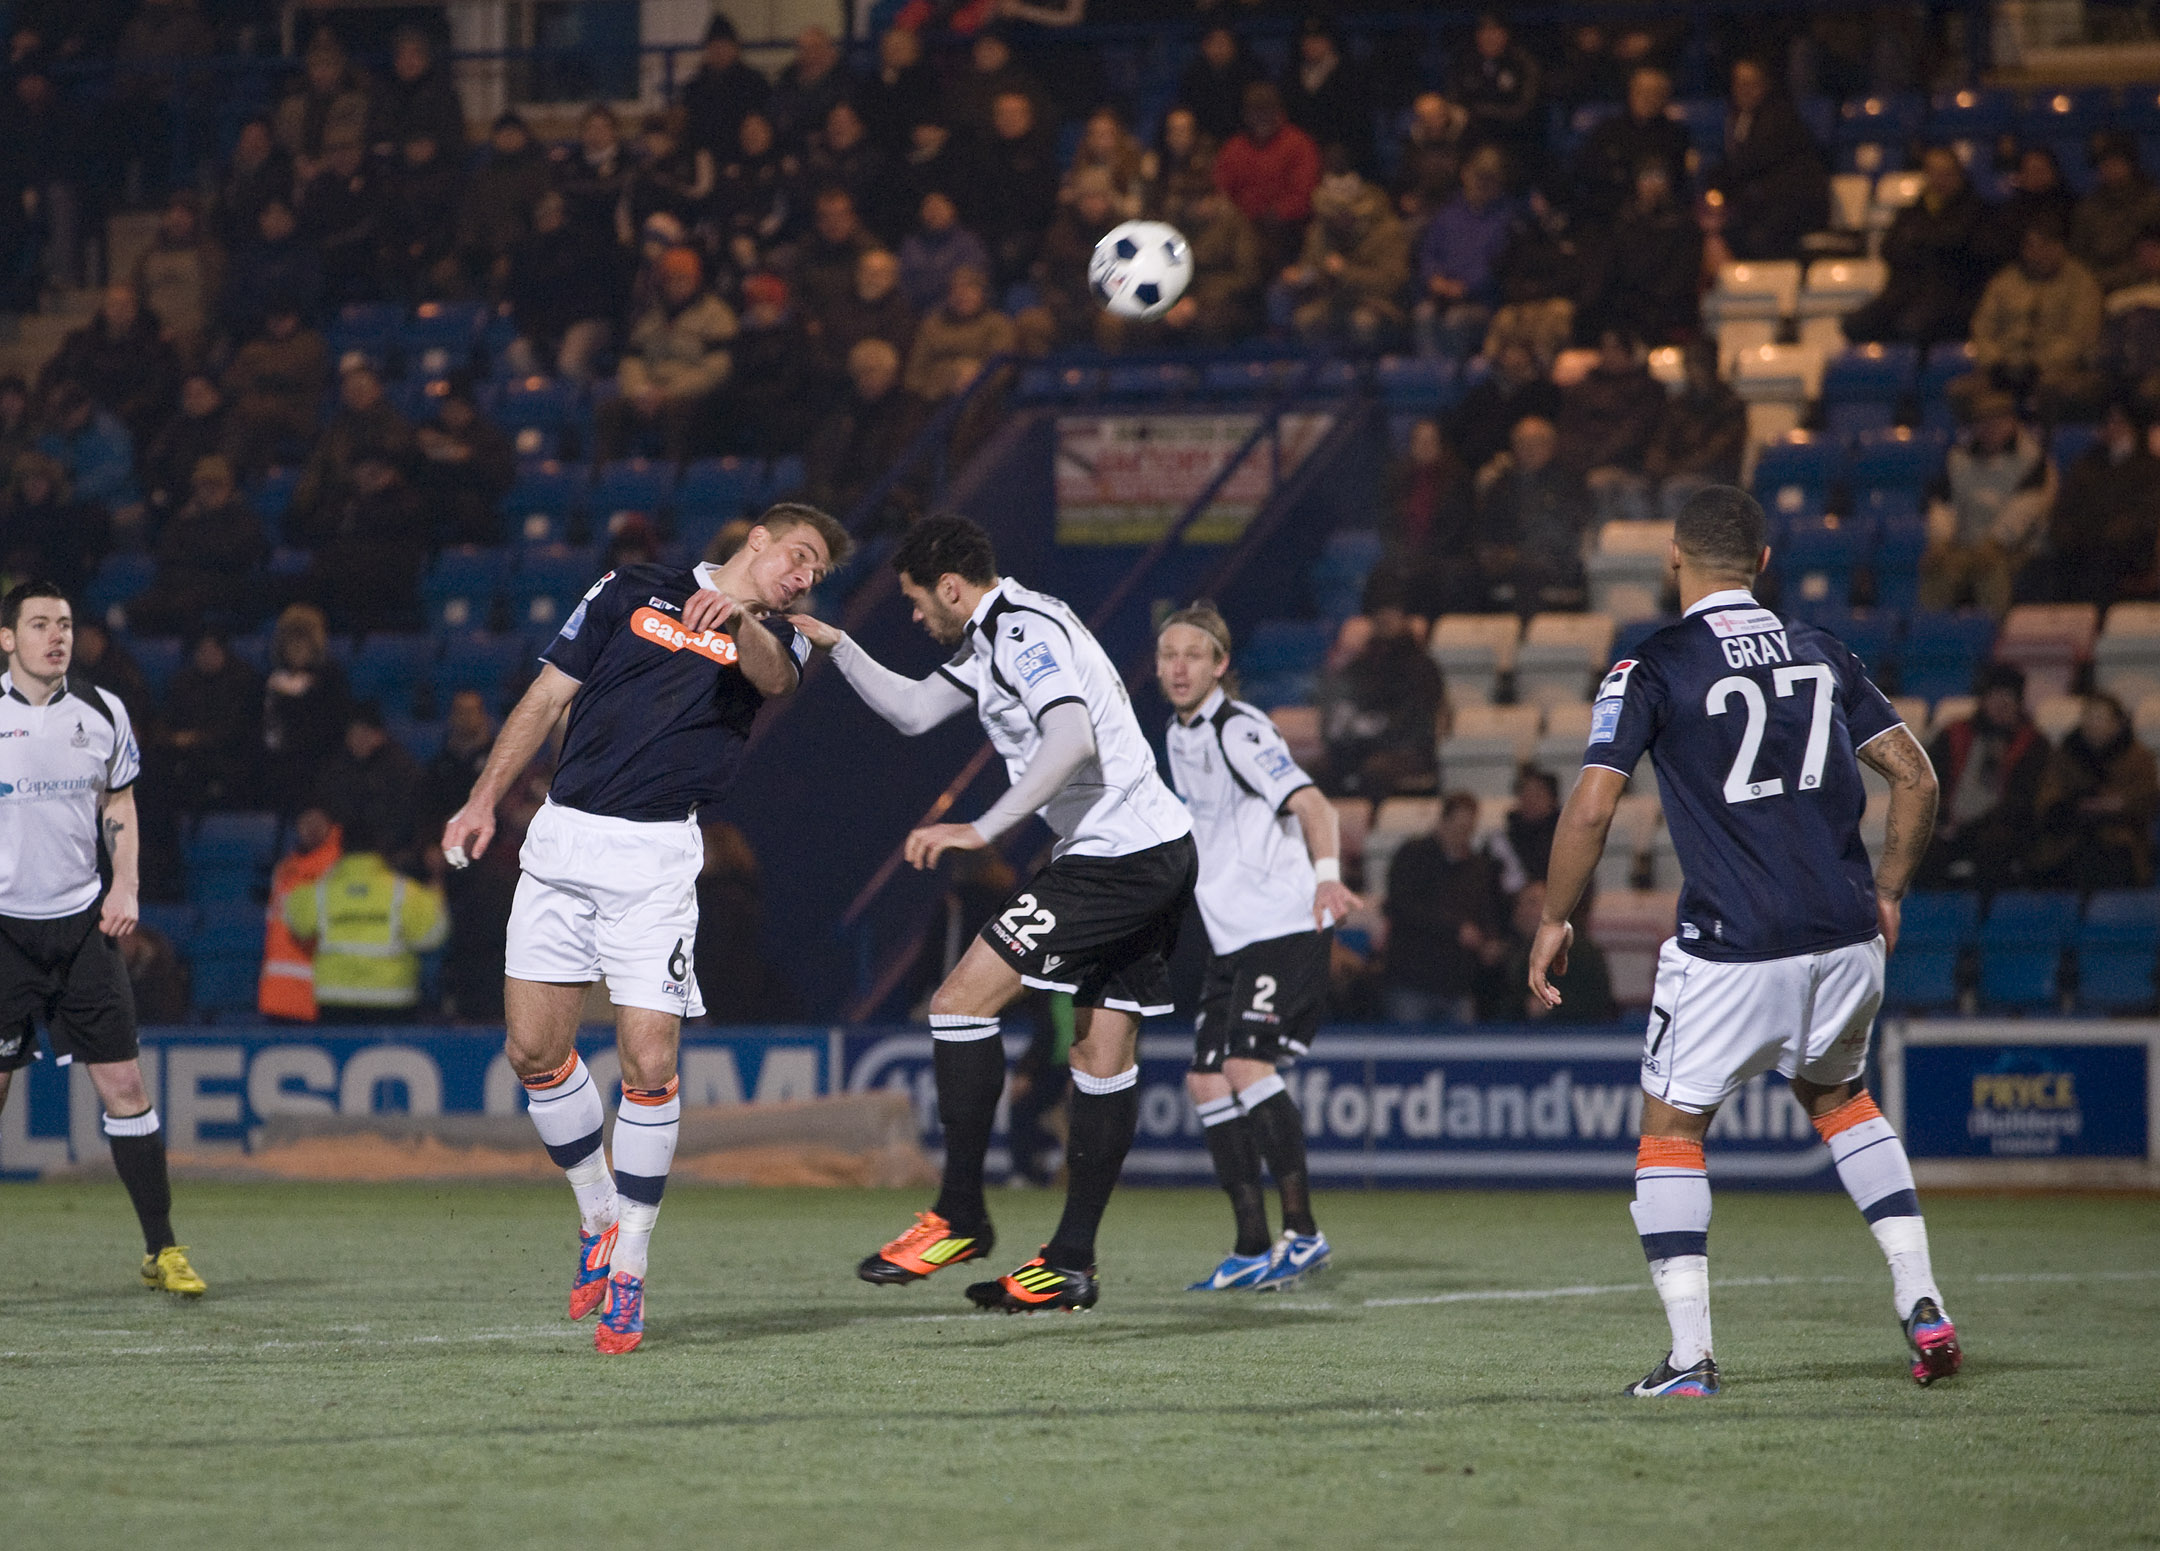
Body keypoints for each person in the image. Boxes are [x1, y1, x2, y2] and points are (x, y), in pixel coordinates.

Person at [1527, 485, 1959, 1397]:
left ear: (1674, 560)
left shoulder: (1653, 666)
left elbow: (1596, 803)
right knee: (1840, 1098)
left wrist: (1555, 916)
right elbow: (1916, 777)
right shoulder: (1824, 650)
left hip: (1734, 939)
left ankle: (1690, 1358)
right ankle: (1921, 1299)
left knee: (1672, 1130)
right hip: (1844, 932)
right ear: (1764, 563)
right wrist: (1886, 892)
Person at [439, 503, 849, 1354]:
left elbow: (773, 680)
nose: (806, 577)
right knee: (533, 1053)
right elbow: (549, 693)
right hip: (562, 839)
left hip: (657, 860)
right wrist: (483, 799)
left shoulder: (783, 637)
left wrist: (742, 616)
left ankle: (628, 1267)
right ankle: (597, 1214)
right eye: (801, 556)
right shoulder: (634, 587)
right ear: (759, 540)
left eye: (818, 572)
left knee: (650, 1061)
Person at [792, 514, 1197, 1313]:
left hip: (1116, 860)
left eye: (917, 602)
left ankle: (961, 1214)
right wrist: (838, 646)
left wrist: (982, 828)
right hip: (1151, 850)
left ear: (951, 587)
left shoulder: (1018, 630)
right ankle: (1070, 1262)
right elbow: (911, 710)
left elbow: (1072, 737)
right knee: (1099, 1056)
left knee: (957, 1004)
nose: (916, 618)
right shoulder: (993, 640)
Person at [0, 580, 207, 1297]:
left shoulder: (101, 709)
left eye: (63, 623)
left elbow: (119, 800)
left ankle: (163, 1247)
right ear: (7, 638)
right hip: (5, 933)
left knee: (125, 1085)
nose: (56, 635)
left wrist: (126, 885)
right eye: (38, 624)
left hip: (83, 927)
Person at [1157, 605, 1357, 1292]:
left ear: (1220, 665)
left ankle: (1302, 1233)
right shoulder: (1176, 733)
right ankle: (1250, 1244)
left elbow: (1314, 805)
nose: (1179, 665)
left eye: (1193, 653)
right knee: (1206, 1078)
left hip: (1283, 924)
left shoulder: (1240, 728)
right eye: (1168, 654)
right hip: (1232, 937)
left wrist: (1327, 880)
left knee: (1244, 1065)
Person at [284, 813, 446, 1022]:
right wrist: (437, 880)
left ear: (340, 847)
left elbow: (296, 924)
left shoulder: (319, 892)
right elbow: (433, 936)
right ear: (380, 848)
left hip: (335, 1000)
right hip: (393, 1000)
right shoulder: (403, 892)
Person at [1919, 391, 2054, 617]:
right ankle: (1932, 637)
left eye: (1997, 420)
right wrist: (1940, 542)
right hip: (1967, 545)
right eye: (1982, 421)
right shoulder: (1958, 458)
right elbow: (1944, 506)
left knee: (1990, 571)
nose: (1989, 428)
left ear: (2012, 422)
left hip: (2017, 549)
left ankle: (1993, 637)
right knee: (1937, 569)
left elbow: (2027, 509)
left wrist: (1995, 542)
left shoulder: (2034, 459)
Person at [1958, 214, 2105, 421]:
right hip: (2004, 367)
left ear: (2060, 247)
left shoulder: (2081, 284)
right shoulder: (2005, 281)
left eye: (2045, 246)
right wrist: (1995, 361)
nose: (2037, 254)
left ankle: (2044, 448)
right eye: (2031, 246)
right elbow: (1982, 326)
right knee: (1962, 391)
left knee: (2053, 389)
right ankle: (1976, 450)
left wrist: (2039, 364)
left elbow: (2080, 337)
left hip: (2055, 370)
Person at [597, 247, 737, 463]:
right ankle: (607, 480)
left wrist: (669, 393)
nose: (677, 285)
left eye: (683, 278)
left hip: (691, 395)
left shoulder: (716, 315)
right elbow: (632, 359)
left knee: (677, 414)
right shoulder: (650, 315)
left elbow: (718, 368)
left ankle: (675, 481)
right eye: (671, 279)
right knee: (610, 410)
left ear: (696, 280)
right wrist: (639, 391)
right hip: (648, 393)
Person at [1916, 663, 2048, 890]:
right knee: (1922, 852)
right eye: (1995, 697)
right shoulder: (1952, 735)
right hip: (1950, 825)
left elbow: (2025, 798)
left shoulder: (2033, 744)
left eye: (2008, 698)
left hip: (2000, 828)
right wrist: (1942, 818)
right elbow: (1926, 783)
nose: (2001, 705)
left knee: (1995, 848)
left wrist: (1978, 823)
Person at [1843, 146, 1991, 346]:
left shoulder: (1976, 211)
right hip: (1904, 292)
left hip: (1951, 298)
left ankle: (1915, 373)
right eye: (1934, 173)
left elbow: (1957, 248)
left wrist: (1921, 243)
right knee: (1856, 325)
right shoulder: (1911, 211)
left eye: (1946, 173)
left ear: (1959, 174)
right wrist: (1927, 243)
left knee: (1911, 326)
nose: (1940, 180)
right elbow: (1889, 249)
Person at [1315, 581, 1446, 799]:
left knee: (1375, 770)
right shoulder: (1360, 664)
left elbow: (1417, 721)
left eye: (1391, 612)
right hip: (1361, 747)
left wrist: (1377, 729)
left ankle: (1374, 827)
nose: (1384, 618)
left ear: (1405, 618)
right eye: (1379, 613)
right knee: (1320, 770)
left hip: (1407, 751)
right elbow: (1340, 701)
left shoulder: (1422, 667)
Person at [2027, 693, 2159, 890]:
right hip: (2069, 838)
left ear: (2118, 723)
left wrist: (2118, 804)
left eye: (2100, 718)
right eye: (2087, 717)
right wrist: (2075, 806)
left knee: (2108, 858)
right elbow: (2048, 799)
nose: (2092, 724)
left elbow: (2147, 799)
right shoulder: (2064, 755)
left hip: (2120, 840)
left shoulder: (2139, 758)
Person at [1705, 58, 1826, 262]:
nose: (1744, 90)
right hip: (1766, 204)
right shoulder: (1739, 118)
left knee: (1757, 236)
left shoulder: (1779, 117)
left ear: (1765, 85)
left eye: (1751, 84)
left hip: (1796, 204)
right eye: (1739, 84)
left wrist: (1716, 182)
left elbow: (1750, 162)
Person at [2049, 400, 2160, 606]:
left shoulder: (2151, 468)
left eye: (2119, 423)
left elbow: (2146, 515)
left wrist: (2107, 538)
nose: (2112, 429)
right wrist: (2070, 536)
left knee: (2099, 570)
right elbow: (2064, 510)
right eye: (2107, 423)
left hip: (2127, 551)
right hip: (2081, 547)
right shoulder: (2085, 465)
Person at [1570, 67, 1689, 224]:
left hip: (1664, 213)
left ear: (1665, 98)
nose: (1647, 98)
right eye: (1641, 92)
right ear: (1630, 93)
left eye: (1655, 93)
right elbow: (1587, 171)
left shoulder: (1677, 135)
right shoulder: (1607, 130)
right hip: (1613, 213)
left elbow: (1683, 176)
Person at [260, 805, 340, 1021]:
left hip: (318, 994)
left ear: (330, 824)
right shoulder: (286, 868)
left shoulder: (339, 866)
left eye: (317, 820)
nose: (311, 828)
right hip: (278, 993)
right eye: (305, 821)